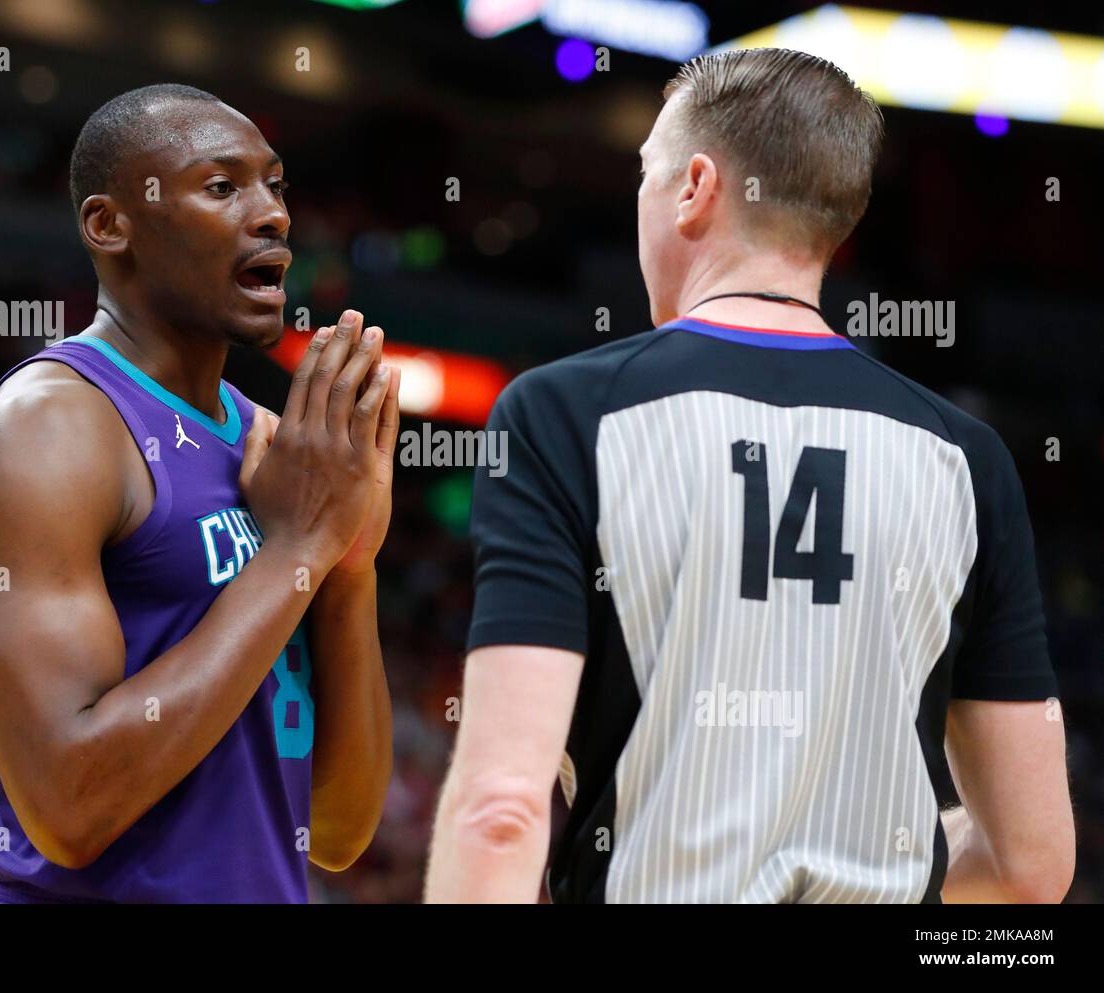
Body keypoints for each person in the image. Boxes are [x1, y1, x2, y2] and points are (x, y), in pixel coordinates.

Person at [425, 49, 1074, 904]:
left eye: (647, 177)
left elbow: (503, 811)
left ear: (695, 186)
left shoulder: (563, 413)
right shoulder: (967, 457)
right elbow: (1031, 864)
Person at [0, 84, 399, 902]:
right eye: (222, 186)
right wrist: (298, 547)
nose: (273, 215)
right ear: (109, 224)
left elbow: (337, 831)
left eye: (275, 184)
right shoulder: (52, 427)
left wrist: (349, 562)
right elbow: (67, 808)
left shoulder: (279, 445)